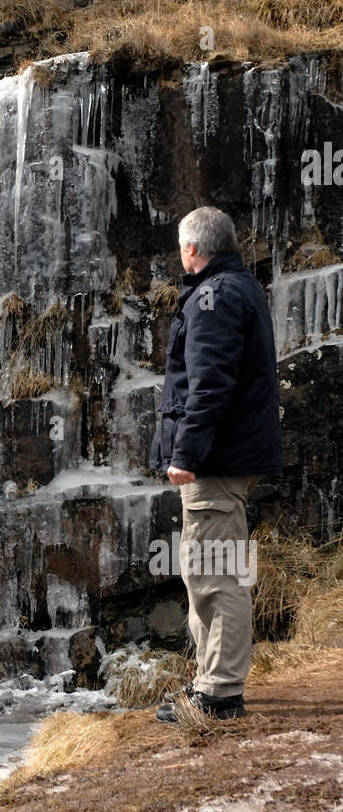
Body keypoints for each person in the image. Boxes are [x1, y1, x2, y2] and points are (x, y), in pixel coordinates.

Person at [149, 206, 282, 723]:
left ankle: (221, 692)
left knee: (216, 572)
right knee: (206, 568)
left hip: (217, 461)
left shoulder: (212, 297)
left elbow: (210, 385)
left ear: (192, 250)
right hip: (229, 456)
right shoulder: (236, 288)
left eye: (180, 248)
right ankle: (211, 678)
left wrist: (186, 454)